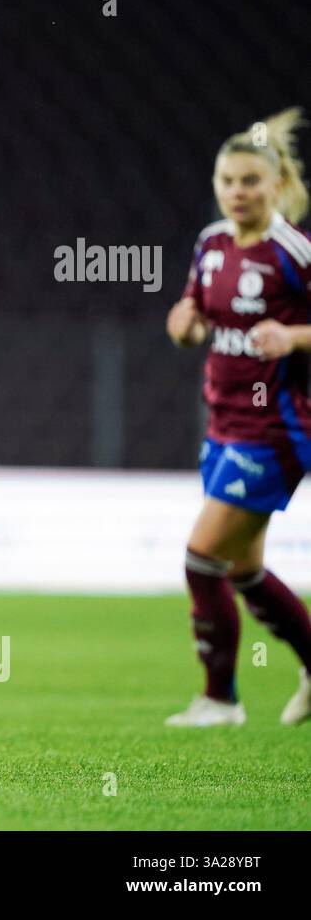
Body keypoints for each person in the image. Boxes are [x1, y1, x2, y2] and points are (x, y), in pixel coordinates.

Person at [165, 107, 311, 727]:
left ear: (276, 186)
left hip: (276, 429)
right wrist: (184, 323)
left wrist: (295, 337)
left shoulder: (293, 253)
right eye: (228, 182)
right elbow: (191, 311)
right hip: (222, 424)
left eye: (250, 182)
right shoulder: (211, 243)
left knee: (202, 558)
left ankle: (220, 699)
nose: (238, 192)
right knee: (244, 570)